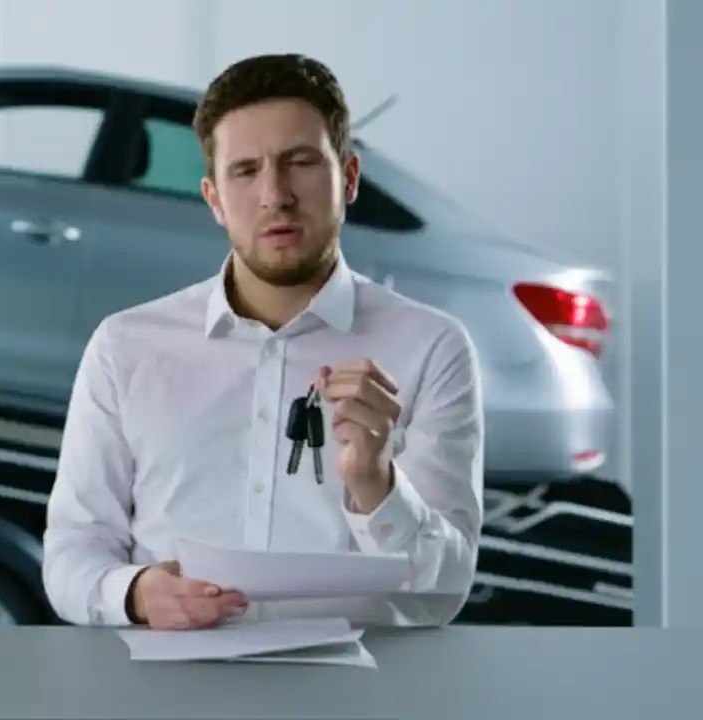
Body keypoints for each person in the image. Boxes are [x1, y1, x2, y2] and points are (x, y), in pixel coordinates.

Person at [41, 53, 484, 630]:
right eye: (246, 171)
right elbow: (73, 551)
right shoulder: (125, 347)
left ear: (348, 179)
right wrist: (136, 594)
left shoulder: (433, 347)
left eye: (299, 162)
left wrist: (378, 485)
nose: (275, 195)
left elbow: (444, 593)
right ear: (214, 198)